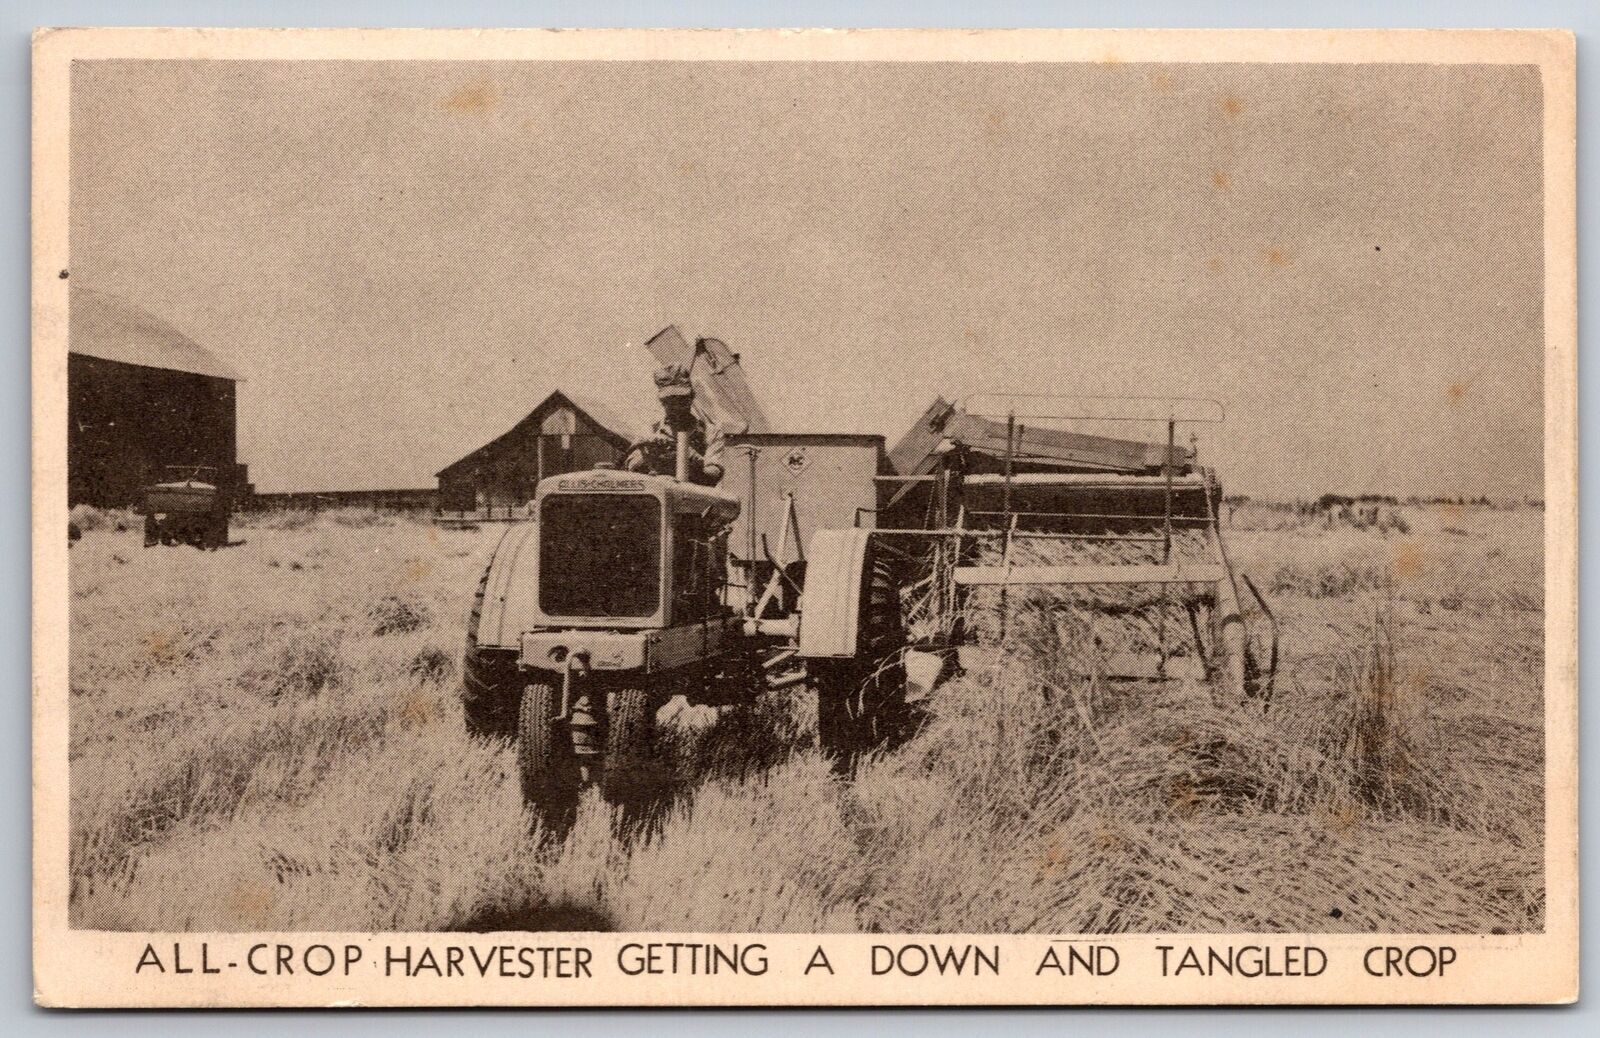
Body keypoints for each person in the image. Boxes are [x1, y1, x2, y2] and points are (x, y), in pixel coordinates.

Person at [625, 363, 725, 486]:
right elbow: (632, 468)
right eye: (670, 401)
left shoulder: (710, 431)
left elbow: (714, 474)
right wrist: (650, 452)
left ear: (692, 398)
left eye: (682, 400)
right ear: (662, 402)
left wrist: (691, 456)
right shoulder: (651, 430)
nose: (676, 406)